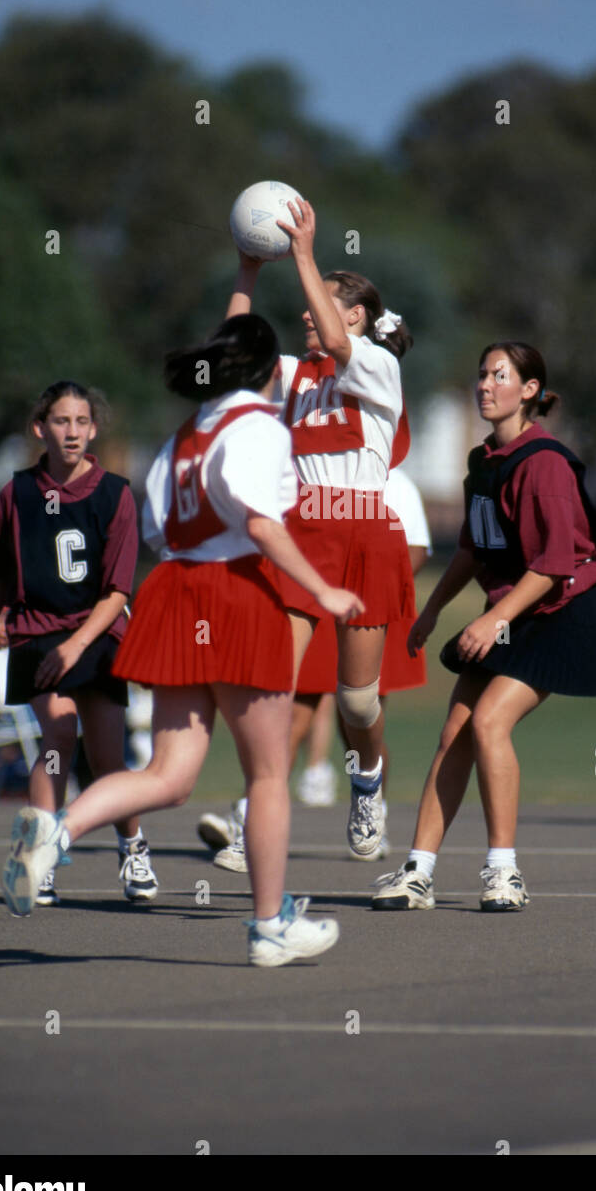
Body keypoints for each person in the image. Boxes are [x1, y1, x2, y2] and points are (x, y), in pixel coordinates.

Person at [0, 316, 364, 967]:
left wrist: (248, 271)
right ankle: (269, 926)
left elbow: (161, 530)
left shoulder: (187, 434)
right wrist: (324, 591)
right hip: (237, 591)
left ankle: (58, 831)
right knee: (270, 773)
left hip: (175, 590)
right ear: (265, 371)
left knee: (167, 776)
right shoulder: (258, 428)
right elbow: (258, 520)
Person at [372, 342, 596, 912]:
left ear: (529, 390)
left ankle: (503, 873)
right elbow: (474, 551)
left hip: (564, 611)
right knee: (454, 733)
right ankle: (417, 873)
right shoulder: (484, 462)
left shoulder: (545, 461)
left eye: (499, 376)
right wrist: (430, 611)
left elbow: (554, 565)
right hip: (513, 611)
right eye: (480, 374)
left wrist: (493, 619)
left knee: (488, 721)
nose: (485, 385)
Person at [226, 198, 415, 860]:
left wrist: (303, 252)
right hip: (303, 533)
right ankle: (253, 806)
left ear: (357, 315)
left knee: (357, 704)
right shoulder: (290, 375)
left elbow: (336, 341)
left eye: (323, 301)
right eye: (305, 301)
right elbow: (230, 351)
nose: (306, 311)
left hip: (364, 530)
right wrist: (248, 272)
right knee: (273, 679)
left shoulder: (375, 365)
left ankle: (367, 783)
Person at [0, 381, 158, 904]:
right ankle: (40, 853)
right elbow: (0, 578)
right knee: (58, 739)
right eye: (61, 422)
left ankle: (133, 846)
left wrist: (77, 646)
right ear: (40, 428)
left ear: (93, 430)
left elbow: (118, 591)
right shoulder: (16, 494)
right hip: (38, 633)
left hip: (98, 631)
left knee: (109, 758)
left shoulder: (115, 494)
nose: (71, 432)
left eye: (81, 422)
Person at [197, 464, 431, 867]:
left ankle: (376, 810)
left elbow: (418, 548)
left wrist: (372, 591)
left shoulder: (392, 481)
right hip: (313, 602)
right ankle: (250, 815)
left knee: (356, 713)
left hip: (364, 607)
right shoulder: (304, 474)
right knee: (285, 710)